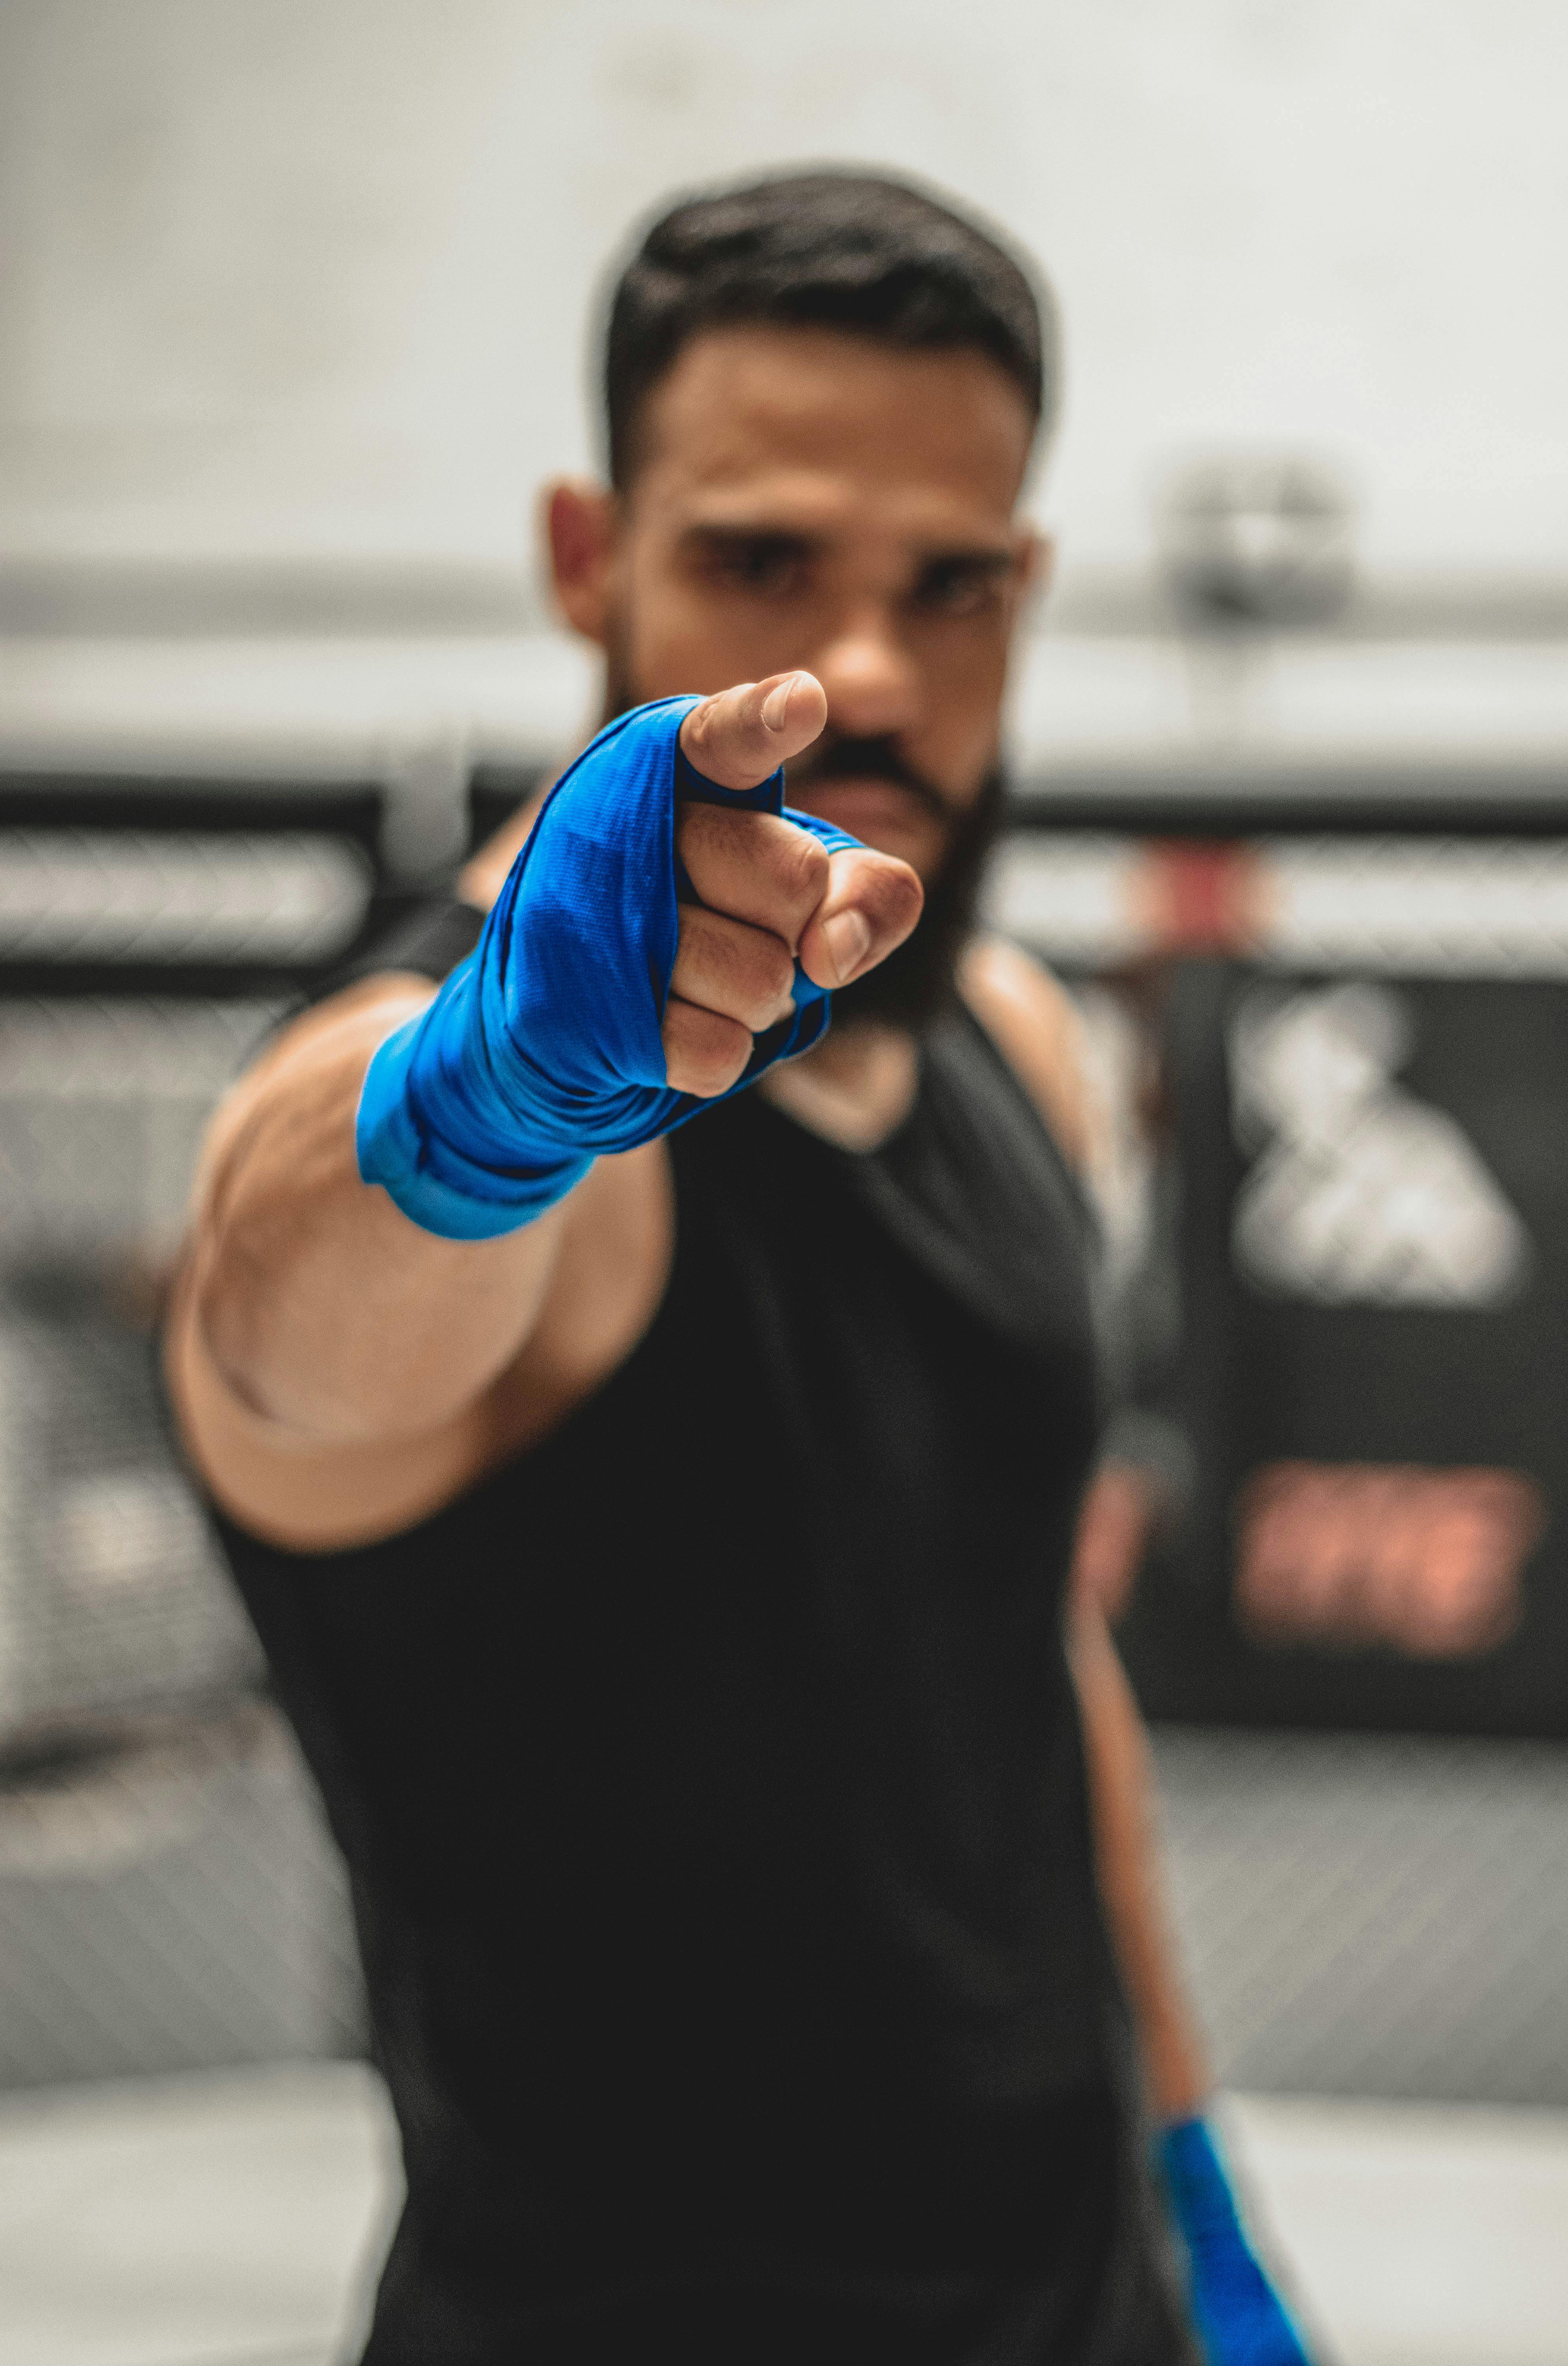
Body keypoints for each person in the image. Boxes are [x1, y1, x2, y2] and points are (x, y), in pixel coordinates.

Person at [167, 172, 1312, 2365]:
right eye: (765, 562)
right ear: (591, 563)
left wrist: (1191, 2177)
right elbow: (281, 1311)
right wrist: (487, 1100)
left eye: (954, 584)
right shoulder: (514, 1122)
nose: (872, 666)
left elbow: (1027, 1657)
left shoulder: (1017, 1047)